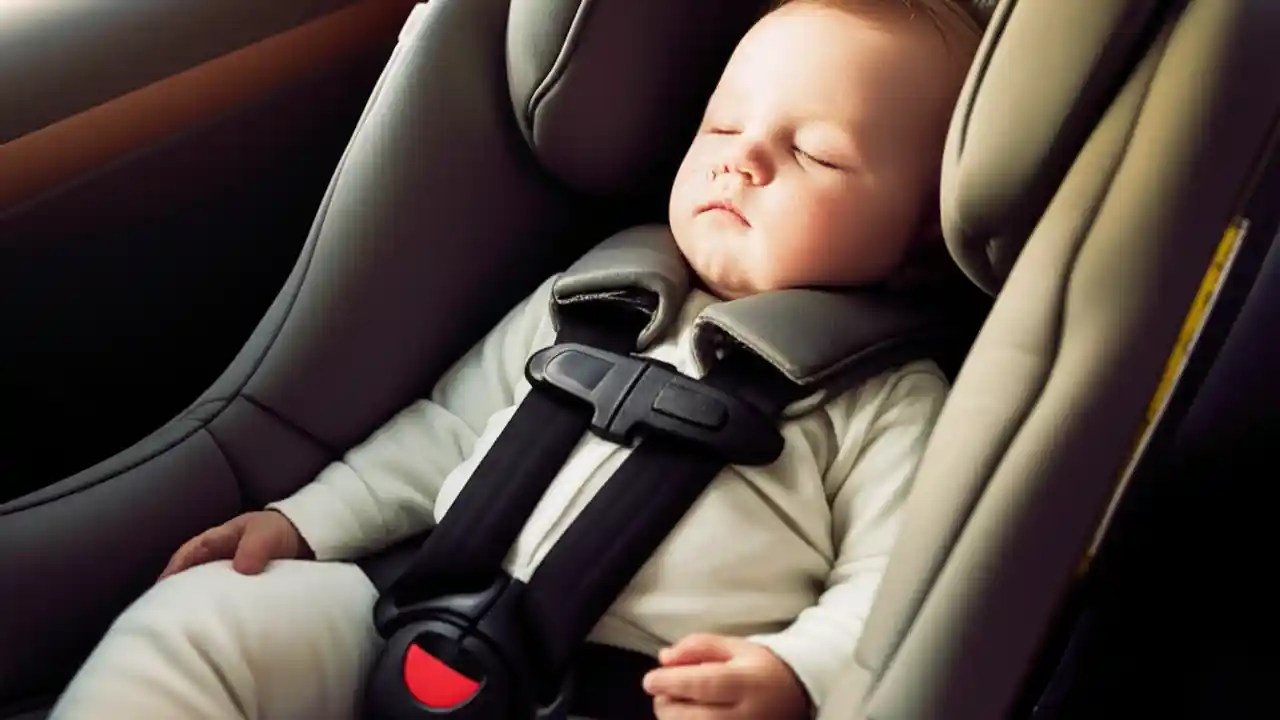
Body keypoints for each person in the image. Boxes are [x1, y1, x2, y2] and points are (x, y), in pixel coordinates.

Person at [49, 1, 981, 718]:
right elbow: (446, 434)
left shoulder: (887, 398)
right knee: (206, 620)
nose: (743, 163)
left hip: (640, 690)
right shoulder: (594, 301)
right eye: (722, 129)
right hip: (416, 620)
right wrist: (306, 525)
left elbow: (896, 583)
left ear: (920, 241)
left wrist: (797, 672)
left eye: (813, 154)